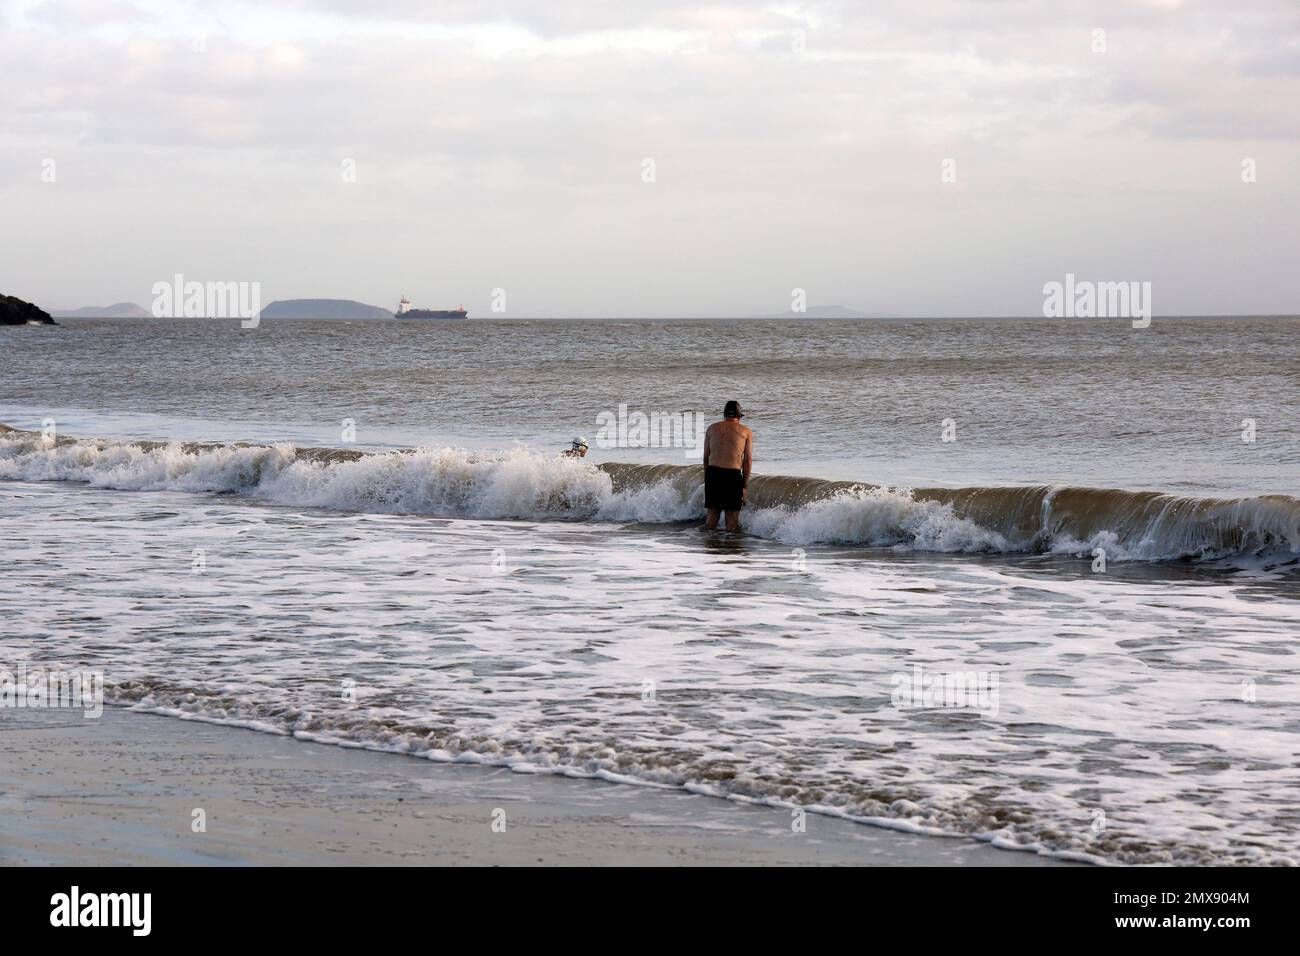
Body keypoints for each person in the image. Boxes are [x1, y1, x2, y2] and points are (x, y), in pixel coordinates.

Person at [702, 400, 752, 531]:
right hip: (732, 475)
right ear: (739, 415)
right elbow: (747, 461)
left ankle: (709, 547)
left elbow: (706, 457)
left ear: (724, 414)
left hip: (713, 473)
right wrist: (745, 485)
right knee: (732, 522)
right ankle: (731, 549)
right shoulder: (746, 431)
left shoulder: (711, 428)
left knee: (712, 518)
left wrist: (708, 477)